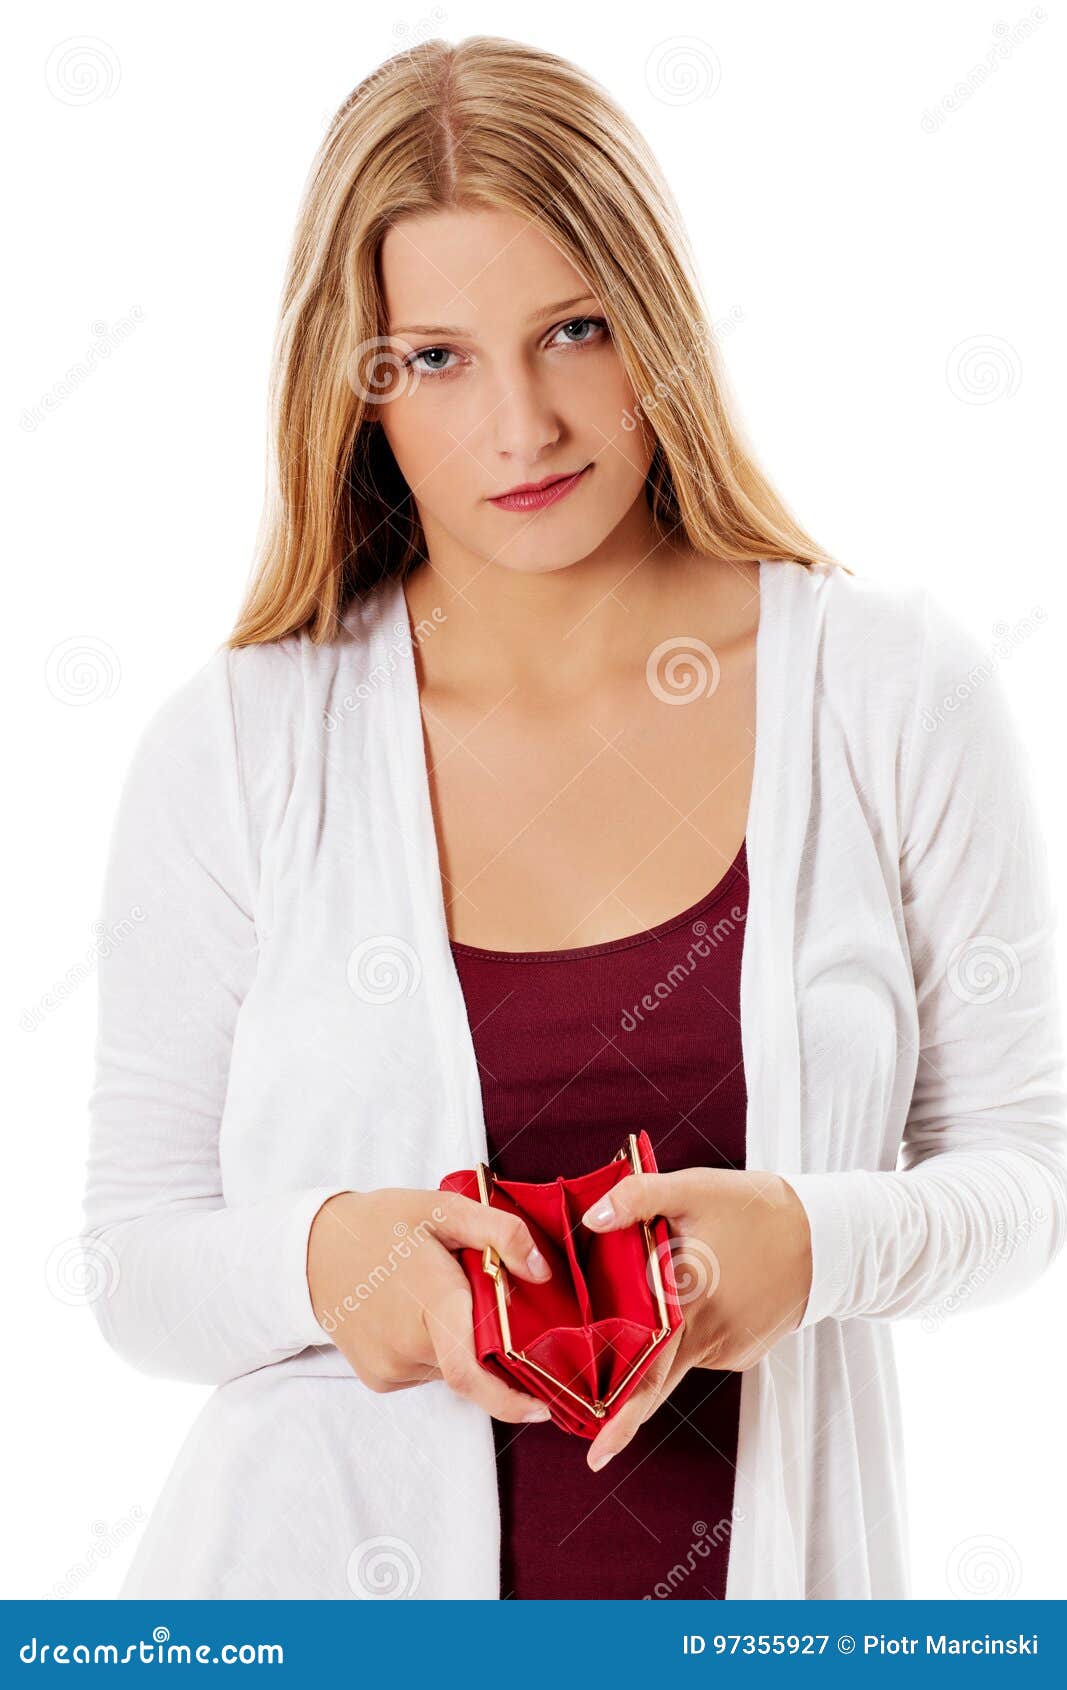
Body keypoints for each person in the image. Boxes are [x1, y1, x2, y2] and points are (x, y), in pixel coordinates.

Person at [81, 35, 1067, 1601]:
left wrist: (806, 1246)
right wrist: (340, 1264)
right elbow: (131, 1261)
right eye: (440, 358)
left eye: (575, 330)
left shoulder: (891, 689)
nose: (523, 427)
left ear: (658, 326)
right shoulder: (239, 745)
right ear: (362, 385)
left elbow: (1024, 1181)